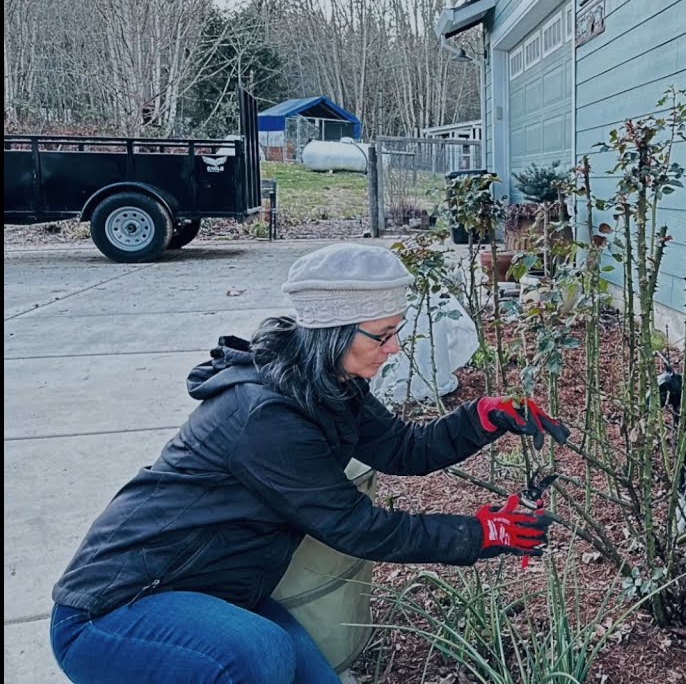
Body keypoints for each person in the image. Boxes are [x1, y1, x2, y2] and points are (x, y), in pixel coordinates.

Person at [48, 242, 570, 684]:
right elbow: (355, 526)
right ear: (333, 331)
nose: (395, 347)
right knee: (259, 655)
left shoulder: (330, 385)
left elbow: (405, 449)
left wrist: (483, 417)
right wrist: (480, 535)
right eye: (383, 334)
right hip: (115, 609)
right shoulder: (264, 416)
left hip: (212, 591)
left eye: (396, 329)